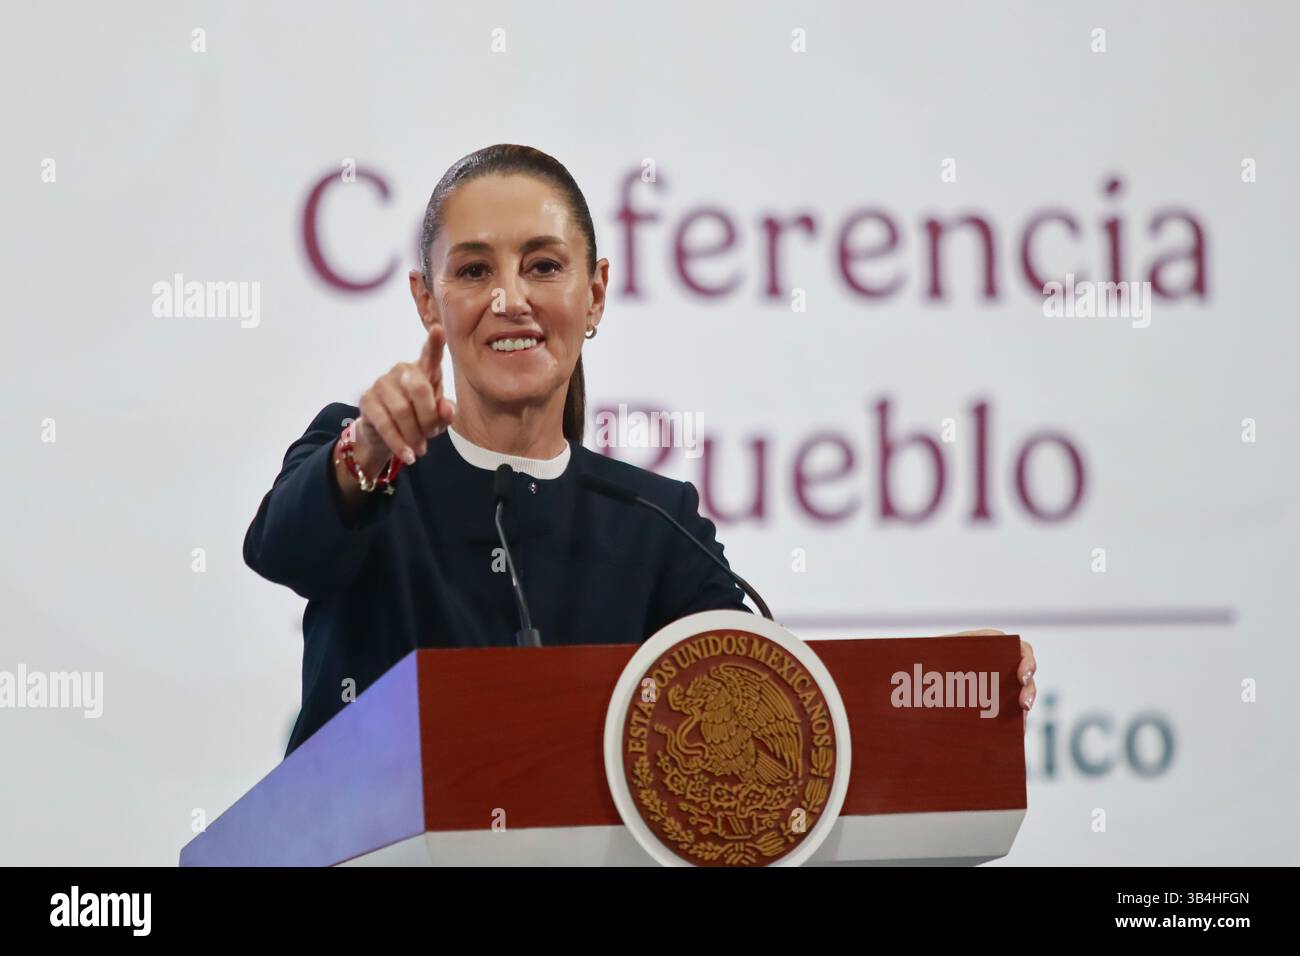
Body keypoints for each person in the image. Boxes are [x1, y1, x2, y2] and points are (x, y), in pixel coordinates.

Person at [244, 144, 1037, 757]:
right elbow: (285, 549)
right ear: (428, 300)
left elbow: (763, 705)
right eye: (475, 269)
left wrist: (928, 685)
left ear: (595, 294)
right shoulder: (368, 458)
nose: (509, 298)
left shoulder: (657, 521)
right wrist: (367, 452)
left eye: (543, 266)